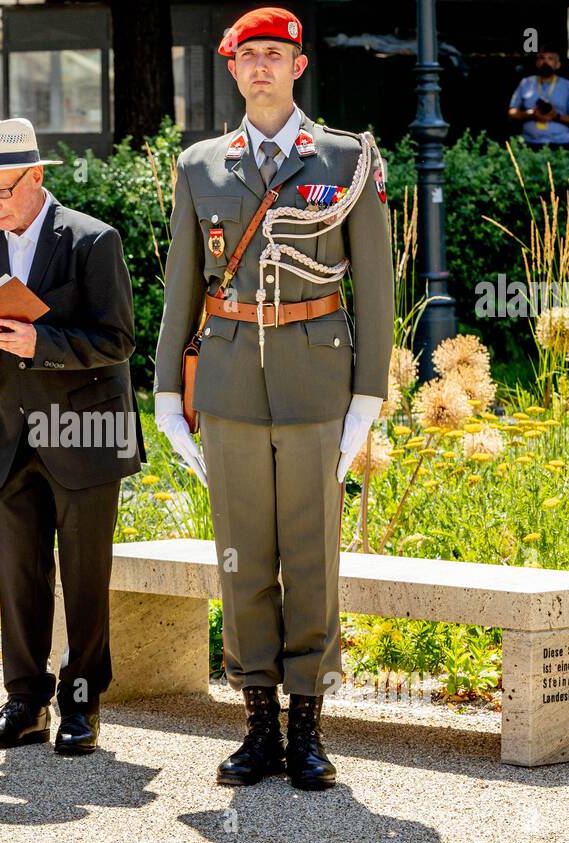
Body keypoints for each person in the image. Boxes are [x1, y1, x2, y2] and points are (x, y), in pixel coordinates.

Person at [154, 6, 393, 789]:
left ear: (299, 66)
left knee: (312, 558)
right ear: (231, 68)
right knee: (241, 555)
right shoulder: (200, 166)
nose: (261, 67)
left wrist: (367, 398)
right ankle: (258, 726)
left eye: (275, 55)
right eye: (248, 55)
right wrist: (164, 393)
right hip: (226, 382)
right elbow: (182, 286)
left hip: (315, 379)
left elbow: (376, 286)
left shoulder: (346, 159)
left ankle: (309, 729)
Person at [0, 117, 145, 755]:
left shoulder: (94, 240)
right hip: (14, 435)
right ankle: (24, 701)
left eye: (3, 191)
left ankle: (83, 704)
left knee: (85, 576)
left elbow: (118, 340)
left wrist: (43, 344)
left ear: (36, 177)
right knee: (19, 575)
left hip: (88, 432)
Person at [507, 49, 569, 147]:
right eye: (542, 58)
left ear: (558, 64)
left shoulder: (568, 86)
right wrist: (531, 114)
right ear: (537, 62)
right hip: (530, 142)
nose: (545, 62)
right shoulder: (526, 83)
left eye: (550, 59)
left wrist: (556, 116)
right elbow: (511, 113)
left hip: (560, 143)